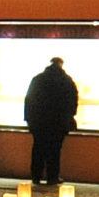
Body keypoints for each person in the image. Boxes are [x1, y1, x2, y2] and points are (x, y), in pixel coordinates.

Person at [23, 57, 79, 185]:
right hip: (58, 123)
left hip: (39, 122)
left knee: (38, 149)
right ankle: (52, 177)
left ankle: (36, 176)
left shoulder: (38, 79)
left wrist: (29, 120)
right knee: (54, 150)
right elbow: (73, 101)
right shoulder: (66, 81)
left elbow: (29, 100)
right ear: (61, 65)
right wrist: (69, 118)